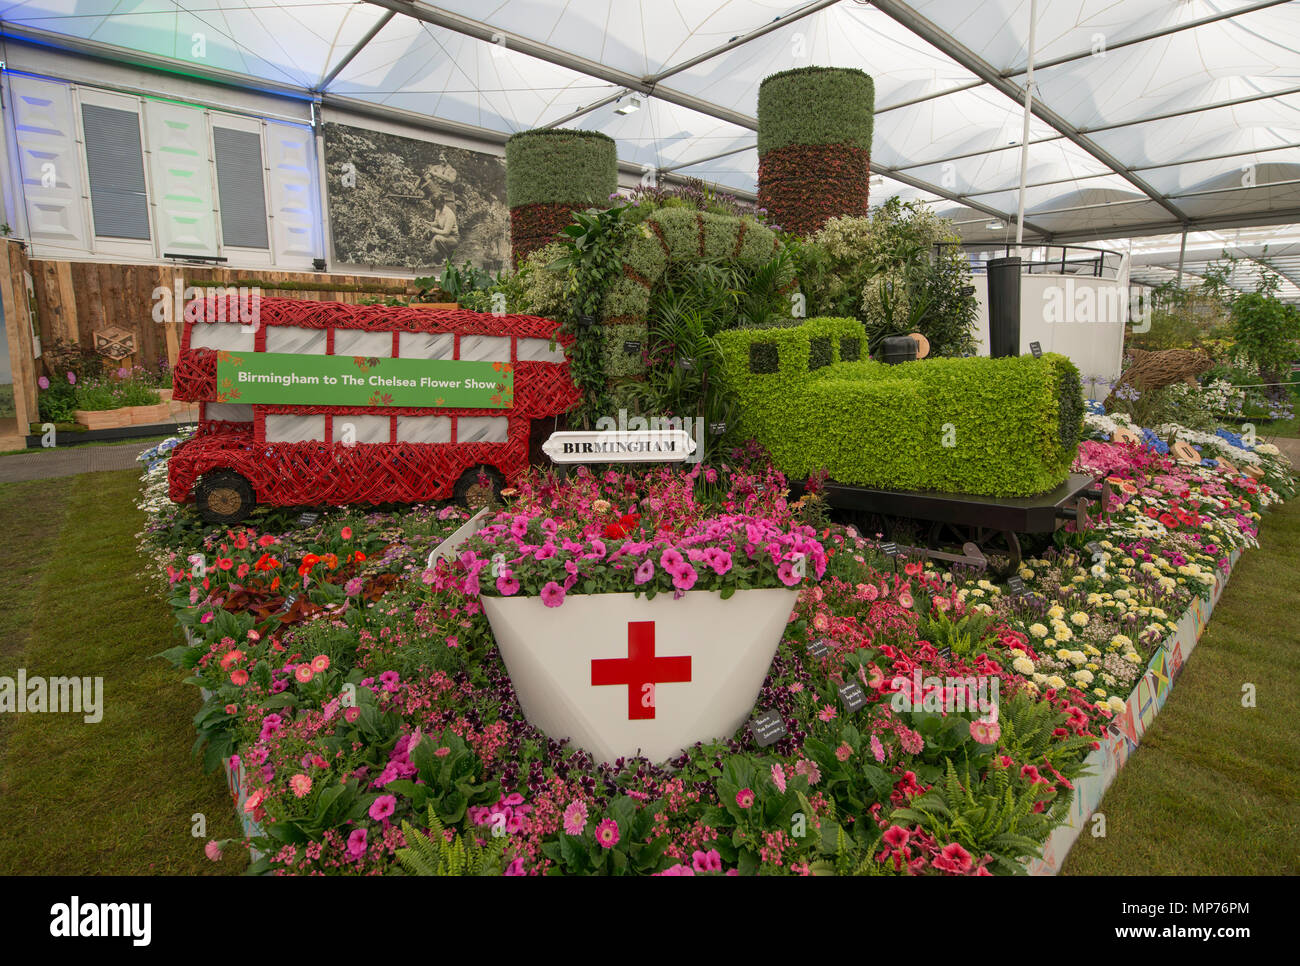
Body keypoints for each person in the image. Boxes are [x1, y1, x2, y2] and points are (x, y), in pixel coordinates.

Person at [428, 190, 460, 263]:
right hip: (444, 236)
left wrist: (434, 230)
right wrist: (428, 223)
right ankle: (438, 257)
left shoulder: (449, 214)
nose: (435, 207)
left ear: (442, 203)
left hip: (453, 238)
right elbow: (436, 222)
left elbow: (446, 232)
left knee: (437, 238)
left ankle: (447, 256)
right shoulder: (438, 210)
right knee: (429, 236)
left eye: (436, 205)